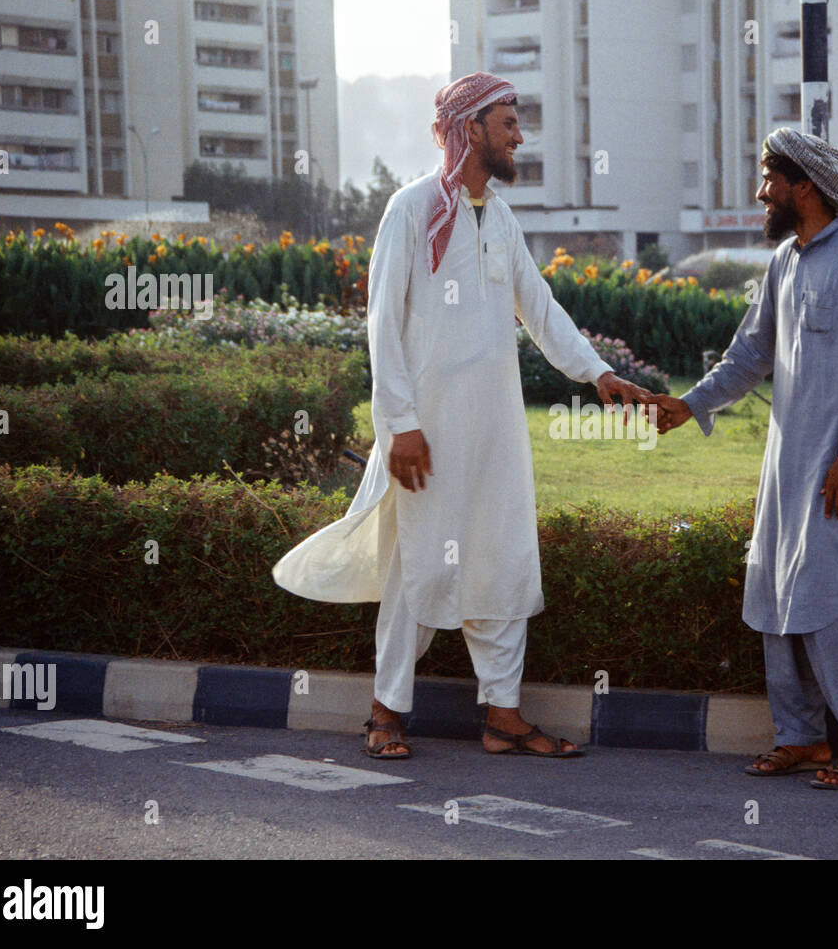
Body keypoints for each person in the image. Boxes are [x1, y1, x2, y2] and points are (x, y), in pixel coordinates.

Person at [272, 72, 650, 760]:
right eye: (508, 121)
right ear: (470, 127)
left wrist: (598, 372)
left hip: (496, 431)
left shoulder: (499, 218)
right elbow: (381, 324)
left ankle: (503, 717)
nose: (519, 135)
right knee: (416, 567)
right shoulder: (412, 209)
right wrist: (401, 423)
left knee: (503, 560)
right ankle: (385, 712)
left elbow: (539, 309)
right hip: (426, 433)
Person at [648, 127, 838, 789]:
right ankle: (800, 738)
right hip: (786, 465)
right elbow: (749, 356)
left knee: (831, 603)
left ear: (804, 183)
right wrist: (690, 404)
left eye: (770, 178)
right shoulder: (783, 263)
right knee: (773, 591)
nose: (760, 191)